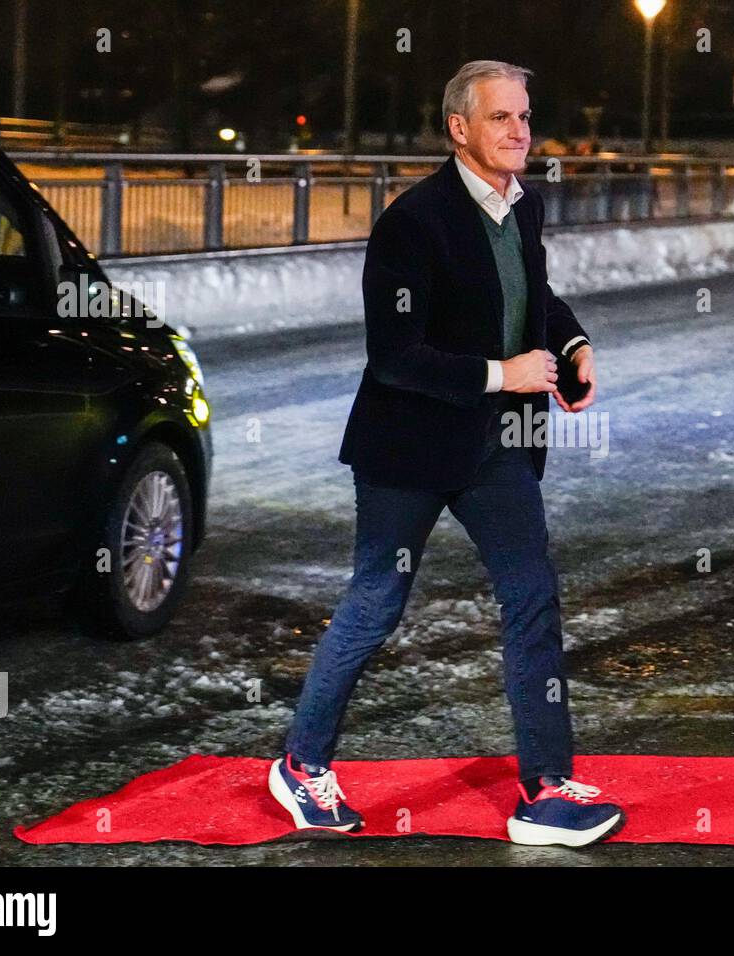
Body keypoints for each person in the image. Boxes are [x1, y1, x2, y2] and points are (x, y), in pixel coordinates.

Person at [268, 60, 624, 848]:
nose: (521, 132)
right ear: (460, 128)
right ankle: (301, 764)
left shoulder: (520, 210)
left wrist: (569, 341)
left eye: (526, 117)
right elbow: (394, 356)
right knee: (375, 604)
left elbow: (531, 293)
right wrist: (505, 374)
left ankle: (545, 786)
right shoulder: (414, 222)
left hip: (496, 447)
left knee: (532, 596)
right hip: (409, 448)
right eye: (502, 118)